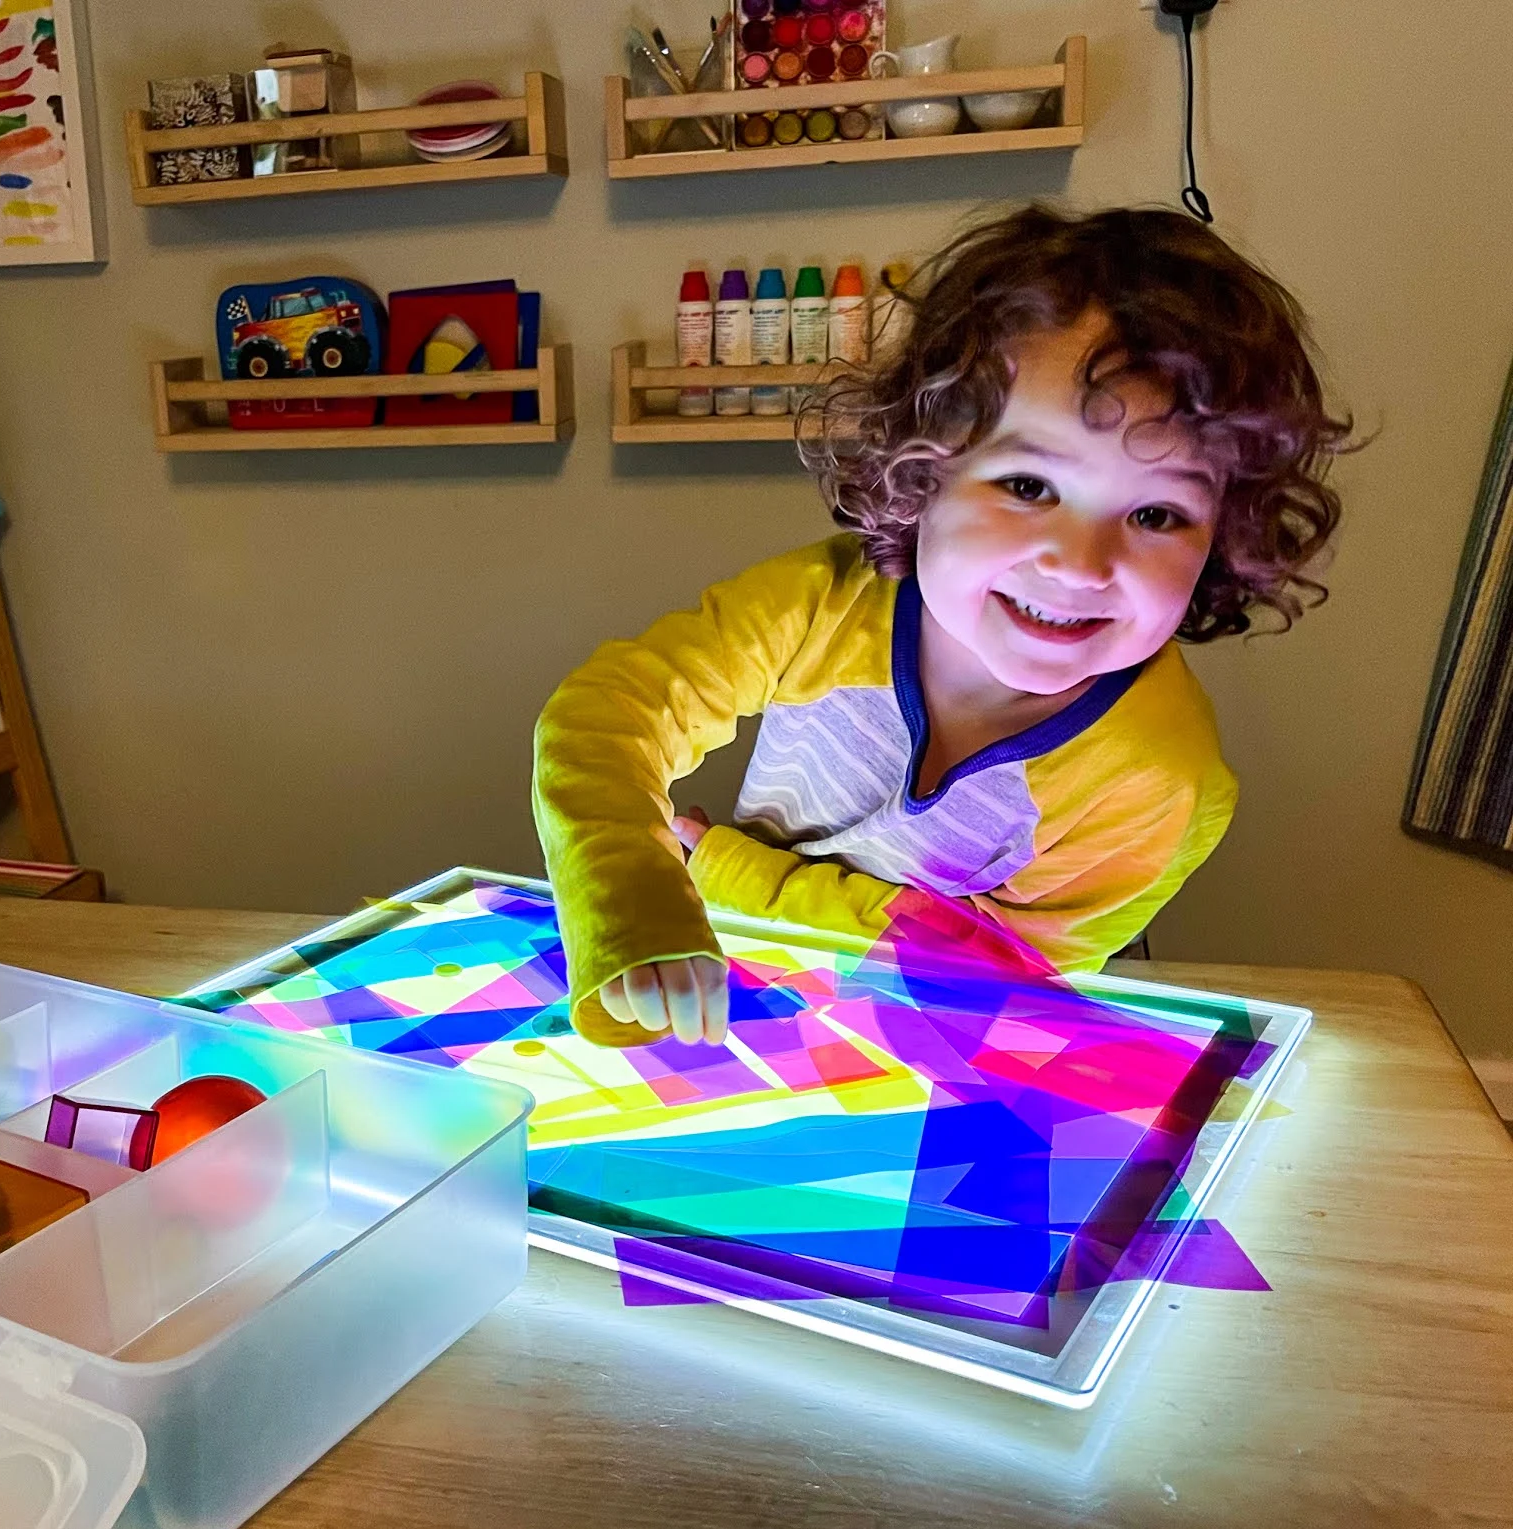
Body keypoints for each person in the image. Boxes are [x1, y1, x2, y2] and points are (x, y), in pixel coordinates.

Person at [534, 205, 1350, 1048]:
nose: (1080, 565)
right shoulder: (823, 601)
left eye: (1156, 514)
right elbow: (605, 715)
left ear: (1224, 535)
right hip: (736, 1002)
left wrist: (727, 870)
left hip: (928, 1055)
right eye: (1029, 487)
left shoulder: (1159, 779)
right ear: (923, 473)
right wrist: (634, 897)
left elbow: (992, 982)